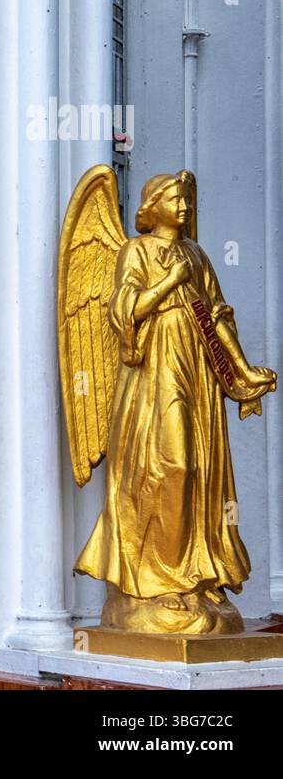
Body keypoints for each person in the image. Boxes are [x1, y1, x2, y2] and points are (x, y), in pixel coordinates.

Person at [75, 172, 276, 634]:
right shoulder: (136, 251)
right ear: (151, 207)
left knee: (201, 473)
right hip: (154, 375)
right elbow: (124, 311)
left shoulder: (197, 254)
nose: (183, 205)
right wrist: (170, 282)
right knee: (172, 464)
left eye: (187, 198)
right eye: (173, 197)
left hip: (198, 371)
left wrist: (241, 371)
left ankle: (195, 579)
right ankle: (154, 581)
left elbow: (218, 316)